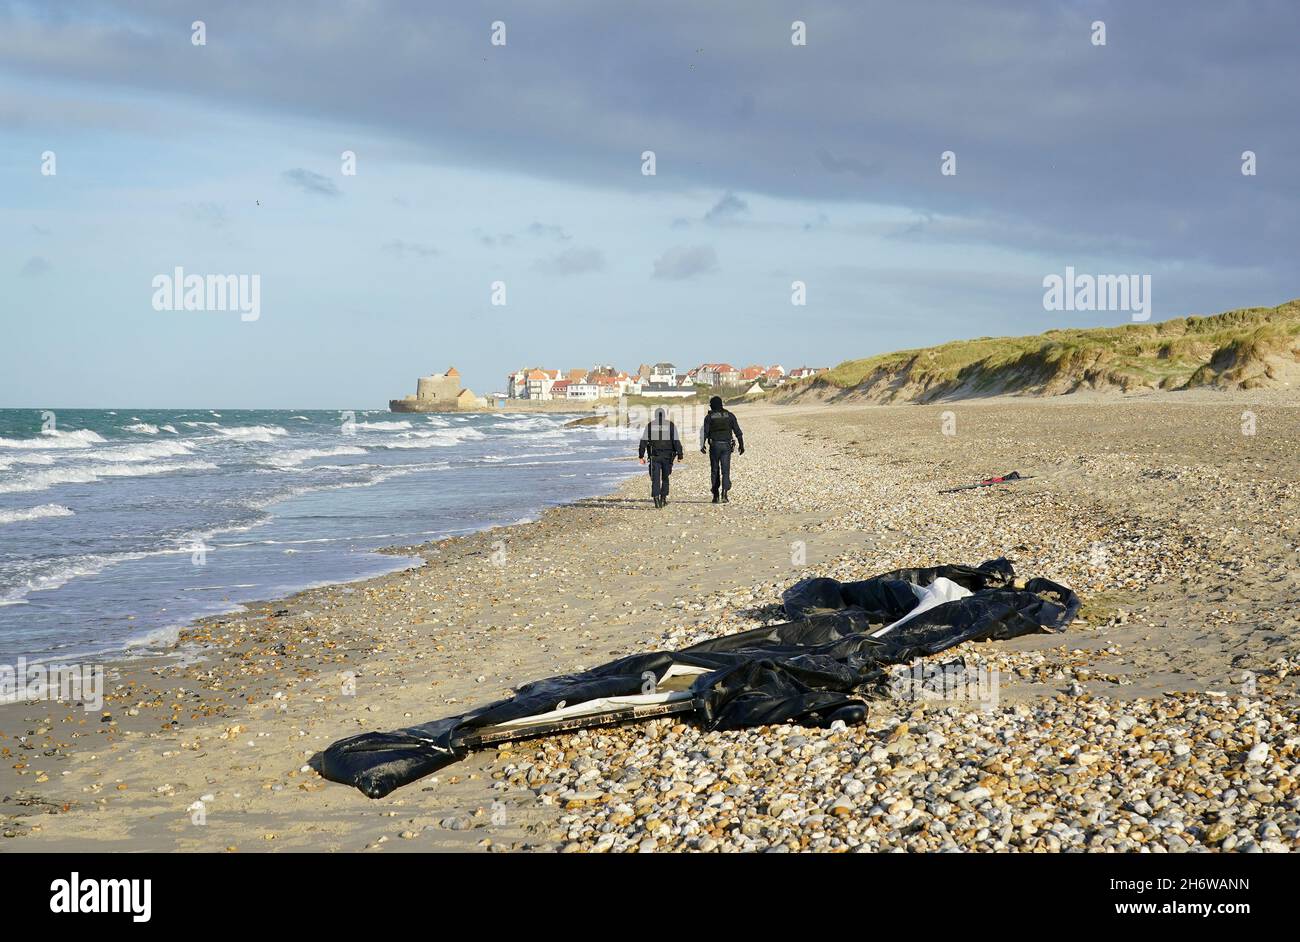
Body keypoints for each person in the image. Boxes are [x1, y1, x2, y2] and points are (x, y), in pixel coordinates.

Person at [699, 395, 744, 503]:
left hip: (714, 446)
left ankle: (715, 495)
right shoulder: (730, 415)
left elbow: (704, 432)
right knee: (725, 470)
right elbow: (738, 431)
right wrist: (741, 445)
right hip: (726, 446)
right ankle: (724, 494)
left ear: (712, 405)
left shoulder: (709, 417)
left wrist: (702, 445)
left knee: (715, 470)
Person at [638, 407, 683, 508]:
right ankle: (663, 498)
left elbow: (643, 442)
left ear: (655, 415)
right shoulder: (670, 425)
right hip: (668, 457)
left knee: (655, 479)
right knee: (665, 478)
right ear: (664, 415)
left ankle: (656, 500)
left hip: (655, 457)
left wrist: (641, 456)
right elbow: (676, 441)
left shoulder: (650, 426)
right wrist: (680, 454)